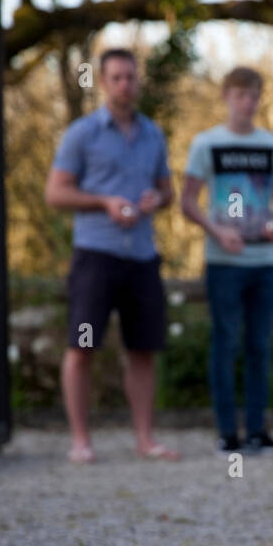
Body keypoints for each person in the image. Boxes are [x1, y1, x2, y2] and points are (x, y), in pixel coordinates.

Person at [45, 48, 178, 464]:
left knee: (142, 349)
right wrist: (104, 202)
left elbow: (168, 191)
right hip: (96, 256)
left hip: (141, 255)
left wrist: (157, 198)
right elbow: (55, 193)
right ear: (102, 82)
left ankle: (144, 439)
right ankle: (81, 441)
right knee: (82, 346)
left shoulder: (153, 135)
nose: (125, 85)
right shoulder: (82, 133)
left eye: (131, 77)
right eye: (117, 77)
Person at [181, 67, 273, 456]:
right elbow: (188, 202)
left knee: (260, 345)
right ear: (226, 96)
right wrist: (216, 231)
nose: (248, 103)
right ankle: (228, 434)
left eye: (254, 96)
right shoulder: (205, 144)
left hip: (265, 261)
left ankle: (258, 431)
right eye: (241, 95)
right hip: (223, 262)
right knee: (225, 344)